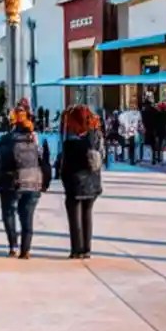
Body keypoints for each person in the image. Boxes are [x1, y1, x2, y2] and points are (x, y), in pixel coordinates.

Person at [0, 108, 45, 258]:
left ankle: (13, 245)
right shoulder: (34, 139)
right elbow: (43, 162)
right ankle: (25, 249)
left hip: (9, 181)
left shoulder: (6, 139)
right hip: (32, 180)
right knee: (27, 216)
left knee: (8, 212)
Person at [59, 105, 105, 259]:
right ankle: (86, 248)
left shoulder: (70, 141)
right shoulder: (96, 137)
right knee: (87, 214)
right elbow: (101, 158)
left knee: (75, 216)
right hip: (93, 182)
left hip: (75, 182)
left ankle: (76, 249)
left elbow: (65, 166)